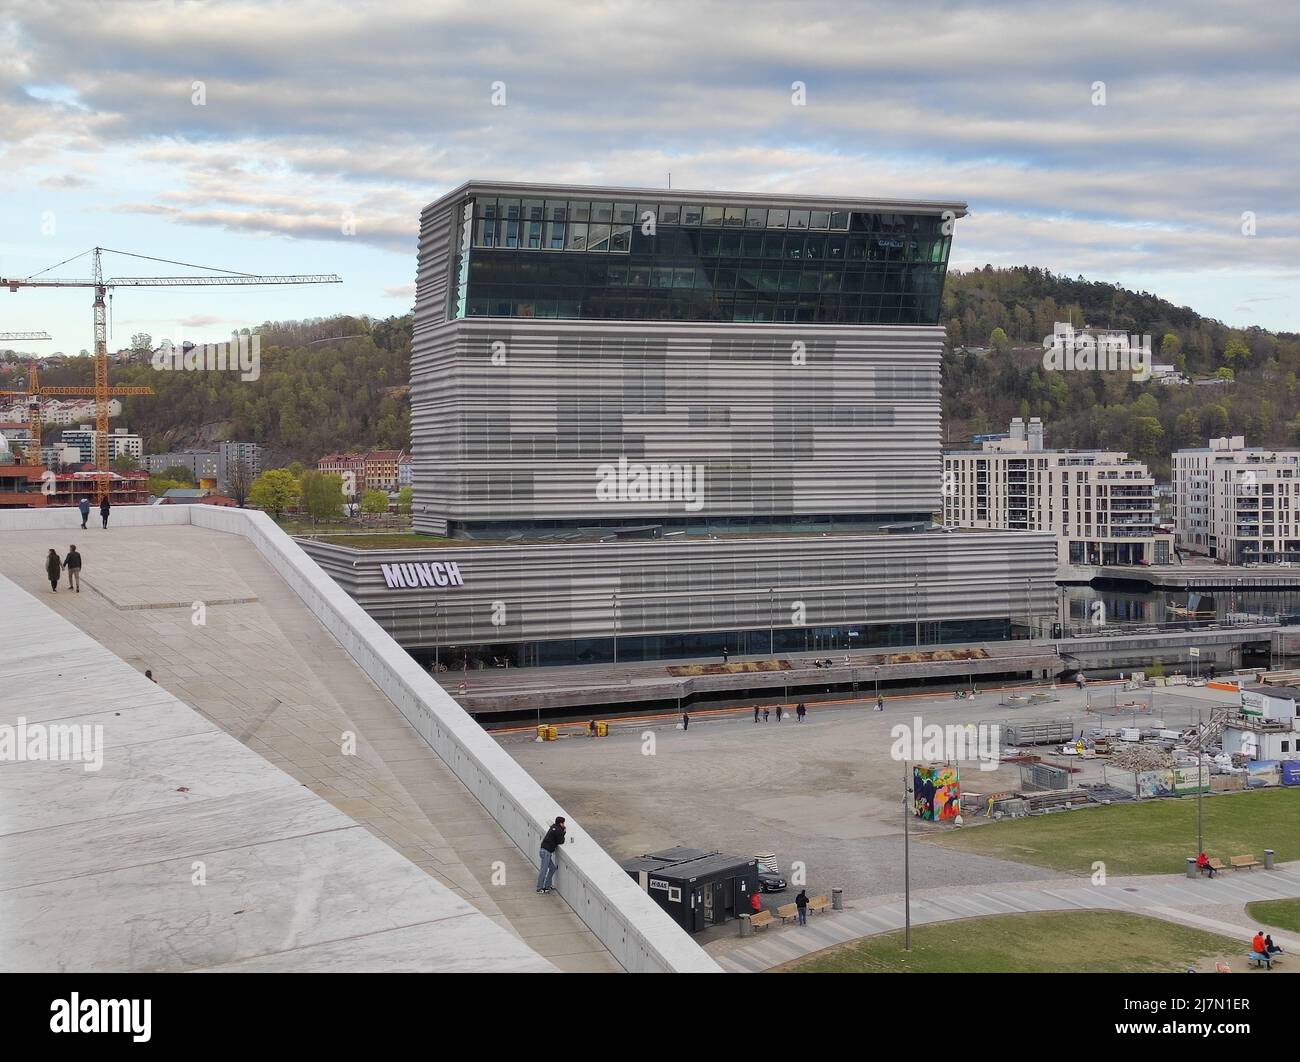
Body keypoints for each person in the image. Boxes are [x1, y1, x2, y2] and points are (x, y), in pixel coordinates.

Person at [536, 816, 566, 893]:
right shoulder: (558, 830)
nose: (564, 824)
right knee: (544, 870)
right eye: (563, 823)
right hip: (546, 852)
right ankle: (539, 888)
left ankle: (547, 886)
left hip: (544, 851)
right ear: (561, 823)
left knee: (552, 868)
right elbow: (561, 841)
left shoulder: (553, 827)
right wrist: (564, 831)